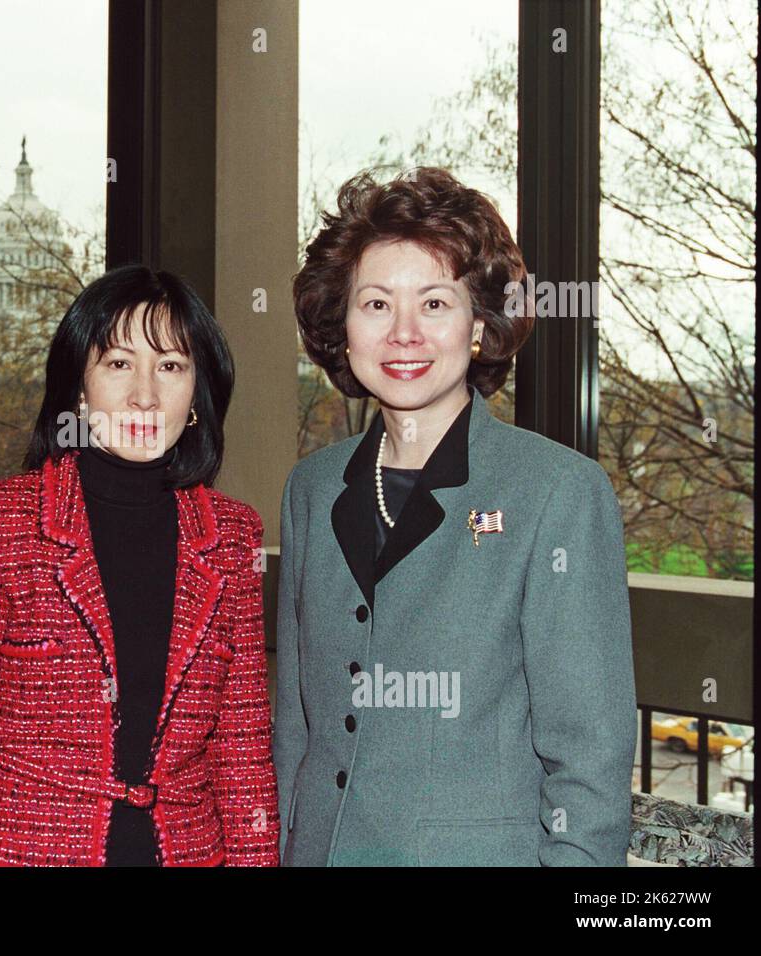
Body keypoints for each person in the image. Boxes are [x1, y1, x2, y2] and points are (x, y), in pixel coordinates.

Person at [275, 168, 636, 866]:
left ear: (478, 325)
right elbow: (298, 726)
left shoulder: (558, 494)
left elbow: (589, 762)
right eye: (376, 305)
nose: (404, 332)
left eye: (434, 303)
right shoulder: (311, 491)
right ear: (342, 328)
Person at [0, 265, 279, 866]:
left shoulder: (232, 536)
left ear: (197, 392)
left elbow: (241, 755)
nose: (145, 393)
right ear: (79, 386)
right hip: (24, 848)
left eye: (171, 366)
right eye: (118, 364)